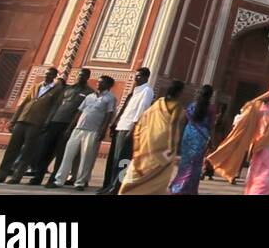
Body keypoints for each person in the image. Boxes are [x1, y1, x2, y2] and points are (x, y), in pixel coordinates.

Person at [206, 76, 269, 195]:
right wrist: (255, 103)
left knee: (264, 186)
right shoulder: (263, 103)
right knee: (255, 184)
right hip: (260, 151)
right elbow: (245, 112)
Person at [0, 67, 64, 184]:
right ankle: (1, 175)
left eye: (50, 74)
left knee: (27, 151)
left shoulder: (56, 90)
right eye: (46, 74)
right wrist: (14, 119)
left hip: (36, 123)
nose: (47, 76)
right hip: (22, 120)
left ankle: (17, 176)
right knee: (11, 149)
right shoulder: (37, 86)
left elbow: (54, 108)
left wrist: (46, 122)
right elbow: (24, 102)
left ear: (54, 76)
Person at [46, 76, 116, 191]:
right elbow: (79, 112)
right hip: (78, 129)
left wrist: (103, 130)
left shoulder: (110, 98)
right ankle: (59, 180)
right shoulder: (90, 96)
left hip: (93, 130)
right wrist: (70, 127)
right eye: (98, 82)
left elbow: (109, 115)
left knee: (86, 158)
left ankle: (80, 182)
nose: (98, 84)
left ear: (108, 85)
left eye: (101, 83)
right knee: (68, 155)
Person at [28, 68, 94, 186]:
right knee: (45, 151)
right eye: (79, 75)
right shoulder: (68, 89)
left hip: (68, 124)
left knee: (61, 153)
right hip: (55, 121)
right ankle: (37, 177)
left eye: (83, 76)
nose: (80, 77)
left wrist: (73, 126)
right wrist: (48, 120)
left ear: (87, 77)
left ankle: (53, 179)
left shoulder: (89, 93)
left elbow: (84, 111)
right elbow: (56, 105)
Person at [120, 81, 186, 195]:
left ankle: (130, 190)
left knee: (143, 166)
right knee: (159, 173)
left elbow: (143, 119)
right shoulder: (176, 106)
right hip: (164, 143)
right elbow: (173, 125)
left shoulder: (157, 103)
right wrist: (172, 146)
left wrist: (139, 136)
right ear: (180, 92)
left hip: (148, 140)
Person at [98, 67, 154, 195]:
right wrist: (115, 124)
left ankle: (118, 187)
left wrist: (134, 129)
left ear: (146, 78)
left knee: (123, 160)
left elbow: (141, 111)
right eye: (136, 75)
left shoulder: (147, 91)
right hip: (121, 127)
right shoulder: (134, 91)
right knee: (115, 159)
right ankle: (110, 185)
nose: (136, 78)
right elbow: (125, 109)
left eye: (139, 76)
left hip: (129, 128)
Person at [169, 85, 215, 195]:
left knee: (185, 162)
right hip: (201, 137)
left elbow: (185, 118)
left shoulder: (192, 106)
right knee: (195, 164)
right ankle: (190, 189)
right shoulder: (211, 108)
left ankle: (177, 186)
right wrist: (210, 138)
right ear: (210, 95)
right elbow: (211, 124)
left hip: (188, 134)